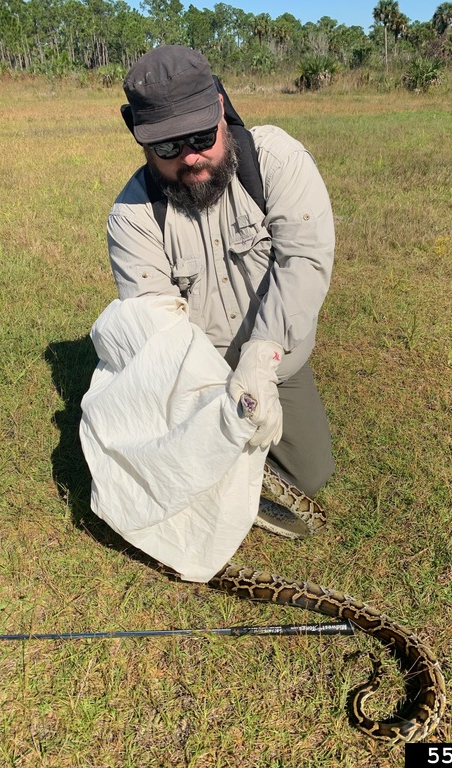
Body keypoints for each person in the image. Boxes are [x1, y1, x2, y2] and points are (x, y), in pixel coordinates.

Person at [107, 44, 335, 525]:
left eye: (199, 137)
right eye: (167, 147)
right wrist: (205, 394)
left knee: (311, 474)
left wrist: (263, 357)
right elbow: (157, 332)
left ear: (219, 110)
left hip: (272, 358)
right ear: (139, 138)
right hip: (195, 374)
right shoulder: (131, 216)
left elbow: (305, 263)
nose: (190, 158)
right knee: (160, 465)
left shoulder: (276, 159)